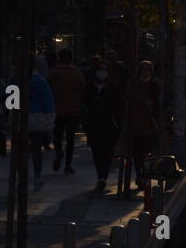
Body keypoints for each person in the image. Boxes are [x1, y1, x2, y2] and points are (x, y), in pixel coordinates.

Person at [118, 60, 163, 190]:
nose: (145, 72)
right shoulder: (134, 85)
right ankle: (140, 175)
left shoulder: (155, 85)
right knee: (137, 154)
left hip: (150, 124)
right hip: (136, 124)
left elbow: (159, 104)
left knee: (148, 153)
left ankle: (146, 176)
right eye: (143, 69)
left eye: (147, 70)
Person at [84, 58, 123, 192]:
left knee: (107, 152)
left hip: (109, 125)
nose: (102, 72)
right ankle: (100, 175)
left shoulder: (113, 87)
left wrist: (116, 119)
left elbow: (119, 106)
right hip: (93, 124)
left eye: (105, 70)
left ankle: (103, 177)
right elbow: (84, 102)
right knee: (96, 151)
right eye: (100, 69)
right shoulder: (89, 86)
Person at [48, 48, 85, 174]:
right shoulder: (77, 74)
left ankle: (59, 151)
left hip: (57, 109)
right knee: (70, 139)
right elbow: (82, 91)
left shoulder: (54, 73)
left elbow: (48, 90)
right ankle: (68, 165)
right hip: (73, 110)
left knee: (57, 135)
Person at [28, 55, 56, 191]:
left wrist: (12, 116)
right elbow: (48, 103)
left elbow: (11, 103)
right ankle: (37, 177)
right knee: (36, 150)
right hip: (38, 120)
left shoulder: (15, 81)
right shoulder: (41, 82)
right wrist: (49, 123)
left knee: (19, 150)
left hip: (21, 119)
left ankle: (19, 177)